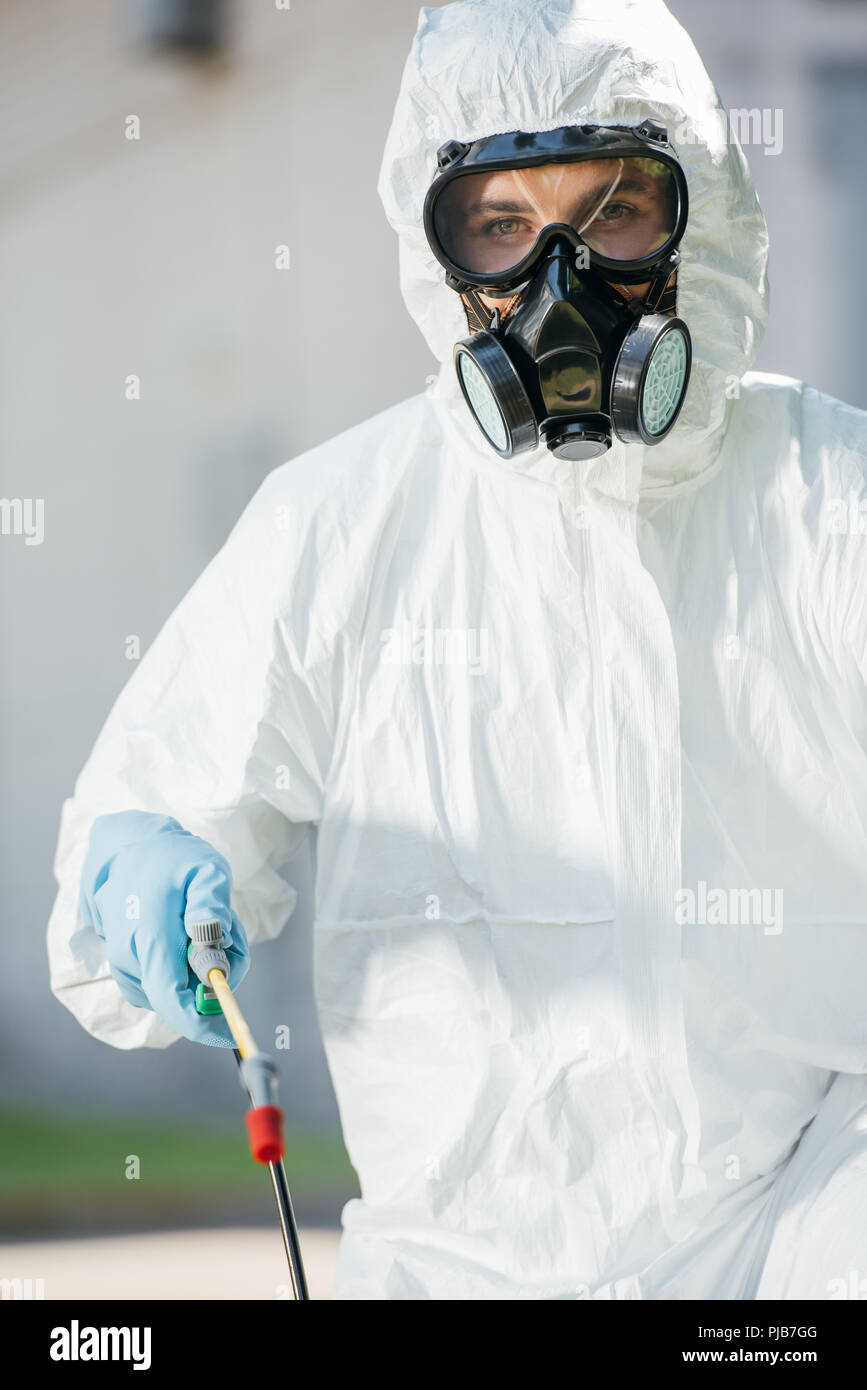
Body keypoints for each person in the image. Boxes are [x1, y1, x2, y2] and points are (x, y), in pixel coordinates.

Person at [48, 0, 867, 1300]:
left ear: (695, 212)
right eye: (502, 227)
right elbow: (127, 892)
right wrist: (147, 871)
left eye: (613, 216)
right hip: (454, 1272)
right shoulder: (342, 527)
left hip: (795, 1251)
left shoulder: (829, 503)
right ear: (443, 257)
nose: (564, 288)